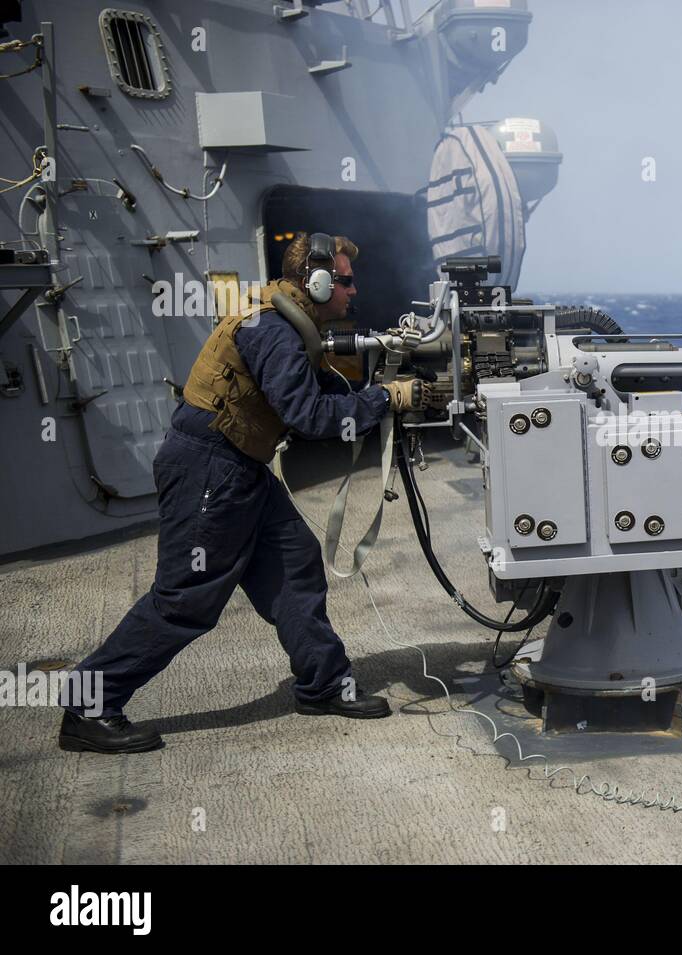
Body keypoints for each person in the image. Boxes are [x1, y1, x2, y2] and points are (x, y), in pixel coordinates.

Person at [58, 233, 431, 754]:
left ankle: (323, 683)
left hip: (239, 467)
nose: (353, 291)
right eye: (344, 281)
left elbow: (319, 393)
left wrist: (382, 386)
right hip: (211, 469)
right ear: (315, 282)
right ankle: (87, 704)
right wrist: (385, 400)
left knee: (295, 563)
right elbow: (309, 416)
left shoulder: (285, 320)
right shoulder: (275, 330)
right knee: (186, 599)